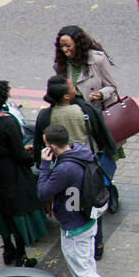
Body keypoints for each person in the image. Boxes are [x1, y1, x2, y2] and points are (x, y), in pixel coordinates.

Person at [37, 123, 134, 277]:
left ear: (52, 147)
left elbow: (43, 193)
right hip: (89, 219)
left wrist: (45, 164)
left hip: (74, 226)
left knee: (83, 273)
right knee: (87, 265)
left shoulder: (63, 168)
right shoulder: (82, 151)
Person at [35, 76, 117, 258]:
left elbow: (40, 144)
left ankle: (75, 235)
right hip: (87, 166)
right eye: (72, 86)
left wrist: (43, 165)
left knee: (69, 202)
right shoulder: (85, 110)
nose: (75, 87)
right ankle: (98, 244)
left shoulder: (46, 116)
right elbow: (102, 135)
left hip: (60, 167)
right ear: (65, 96)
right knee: (93, 198)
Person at [0, 77, 46, 267]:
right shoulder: (8, 123)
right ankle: (21, 255)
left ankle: (8, 249)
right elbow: (19, 154)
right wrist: (31, 156)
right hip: (11, 171)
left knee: (0, 207)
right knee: (17, 210)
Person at [53, 25, 118, 110]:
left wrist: (101, 94)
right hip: (73, 111)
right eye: (62, 46)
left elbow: (111, 87)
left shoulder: (98, 59)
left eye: (68, 46)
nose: (65, 50)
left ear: (78, 45)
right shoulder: (60, 64)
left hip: (95, 111)